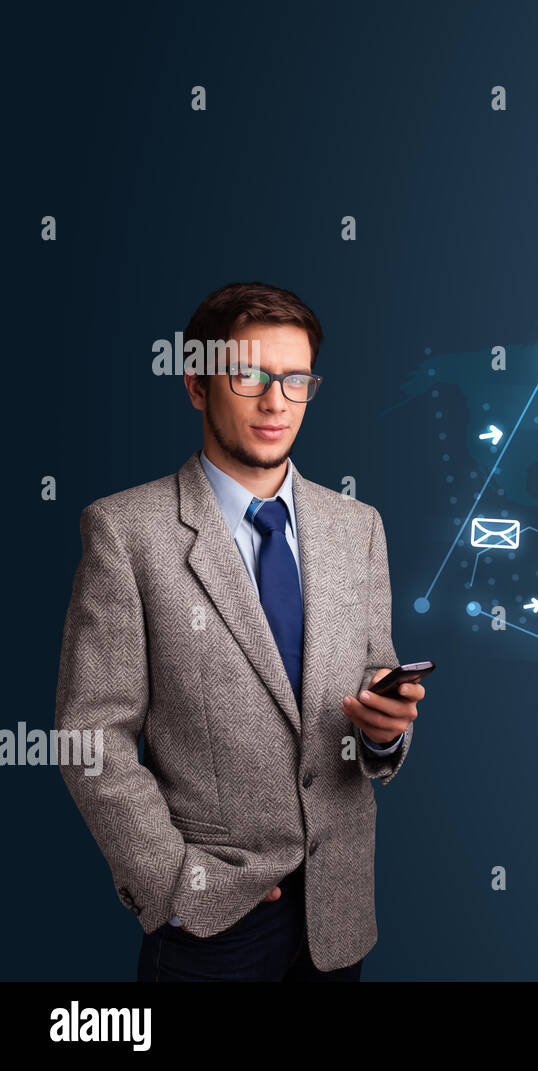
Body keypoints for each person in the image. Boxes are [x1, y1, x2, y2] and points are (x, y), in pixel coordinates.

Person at [54, 281, 420, 981]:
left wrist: (385, 729)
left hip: (337, 919)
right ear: (196, 383)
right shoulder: (126, 532)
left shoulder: (358, 528)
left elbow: (377, 682)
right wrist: (171, 884)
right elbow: (89, 733)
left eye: (295, 379)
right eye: (248, 373)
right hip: (207, 926)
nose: (275, 400)